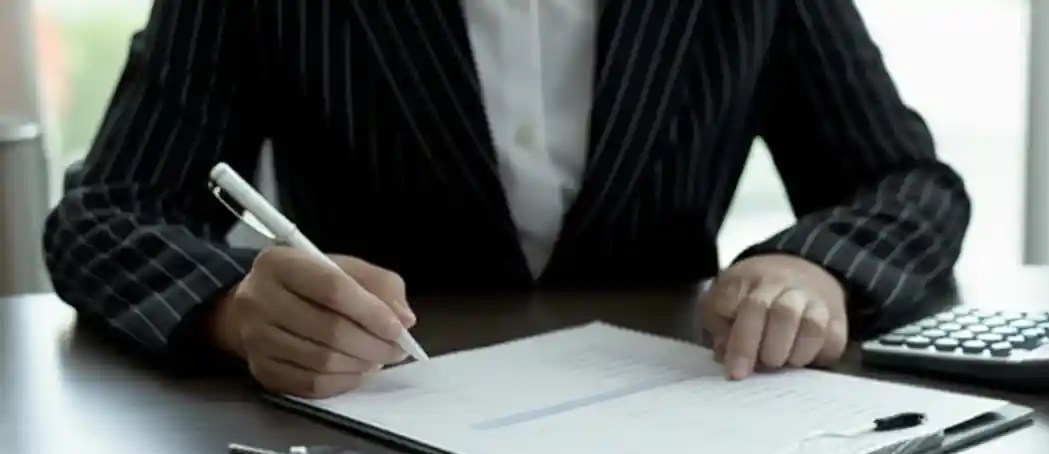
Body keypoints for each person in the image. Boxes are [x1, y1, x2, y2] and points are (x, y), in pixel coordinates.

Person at [44, 0, 970, 398]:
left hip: (685, 445)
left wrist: (815, 268)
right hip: (373, 450)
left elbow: (906, 181)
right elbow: (106, 213)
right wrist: (234, 307)